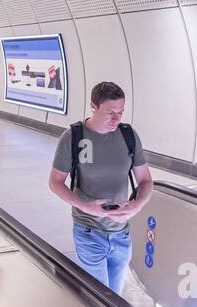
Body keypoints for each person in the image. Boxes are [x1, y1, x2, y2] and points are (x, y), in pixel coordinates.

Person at [47, 81, 153, 294]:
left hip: (121, 233)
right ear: (93, 106)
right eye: (110, 112)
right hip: (89, 231)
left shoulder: (128, 135)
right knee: (100, 299)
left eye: (120, 112)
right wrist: (86, 207)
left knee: (116, 297)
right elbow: (55, 182)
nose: (116, 119)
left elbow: (145, 180)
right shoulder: (73, 137)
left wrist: (136, 206)